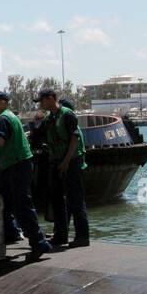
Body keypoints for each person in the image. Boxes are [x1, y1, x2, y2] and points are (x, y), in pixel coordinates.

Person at [0, 91, 52, 257]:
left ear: (2, 102)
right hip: (14, 164)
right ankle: (10, 231)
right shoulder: (8, 117)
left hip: (16, 164)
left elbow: (0, 142)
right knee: (3, 196)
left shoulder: (4, 119)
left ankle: (38, 242)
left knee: (21, 204)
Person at [38, 88, 89, 248]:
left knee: (76, 199)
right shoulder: (49, 117)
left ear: (51, 98)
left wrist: (66, 161)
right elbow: (39, 134)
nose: (41, 104)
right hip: (56, 160)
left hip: (71, 161)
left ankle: (82, 237)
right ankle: (61, 234)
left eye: (42, 100)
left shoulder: (67, 114)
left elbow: (74, 138)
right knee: (57, 198)